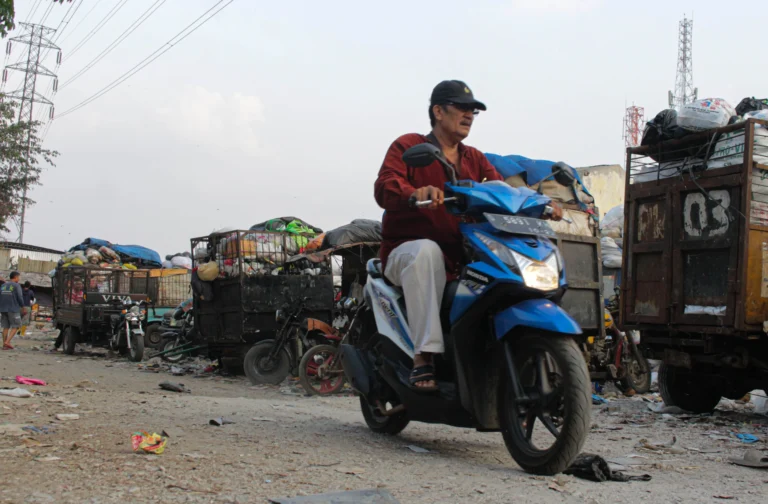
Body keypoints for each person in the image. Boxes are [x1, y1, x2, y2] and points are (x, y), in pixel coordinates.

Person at [374, 80, 562, 392]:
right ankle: (424, 356)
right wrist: (413, 193)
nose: (469, 115)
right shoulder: (408, 146)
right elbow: (385, 185)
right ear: (438, 111)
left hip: (461, 260)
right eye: (462, 108)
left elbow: (503, 192)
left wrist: (542, 204)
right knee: (426, 251)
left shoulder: (475, 159)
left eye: (473, 111)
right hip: (405, 255)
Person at [0, 272, 25, 350]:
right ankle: (7, 342)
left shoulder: (3, 286)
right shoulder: (16, 285)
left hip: (3, 309)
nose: (19, 279)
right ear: (15, 277)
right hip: (13, 309)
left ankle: (4, 345)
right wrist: (23, 306)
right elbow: (20, 297)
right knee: (16, 326)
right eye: (18, 277)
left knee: (5, 327)